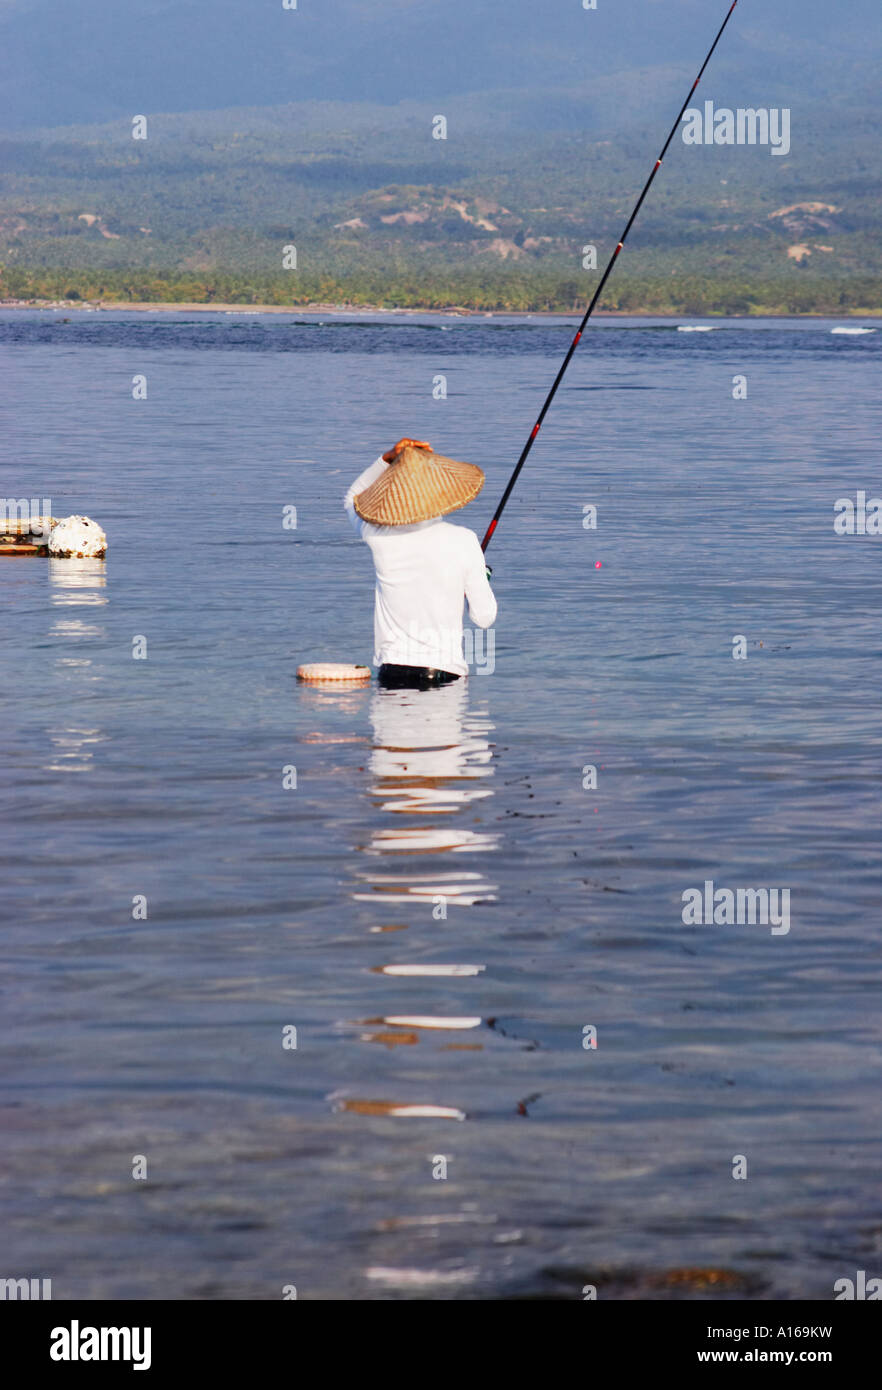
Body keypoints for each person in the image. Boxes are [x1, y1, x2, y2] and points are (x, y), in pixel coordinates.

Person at [344, 437, 497, 689]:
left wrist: (387, 457)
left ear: (392, 493)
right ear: (440, 491)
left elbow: (352, 500)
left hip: (391, 675)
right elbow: (484, 617)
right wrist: (482, 578)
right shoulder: (464, 540)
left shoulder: (378, 535)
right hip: (443, 677)